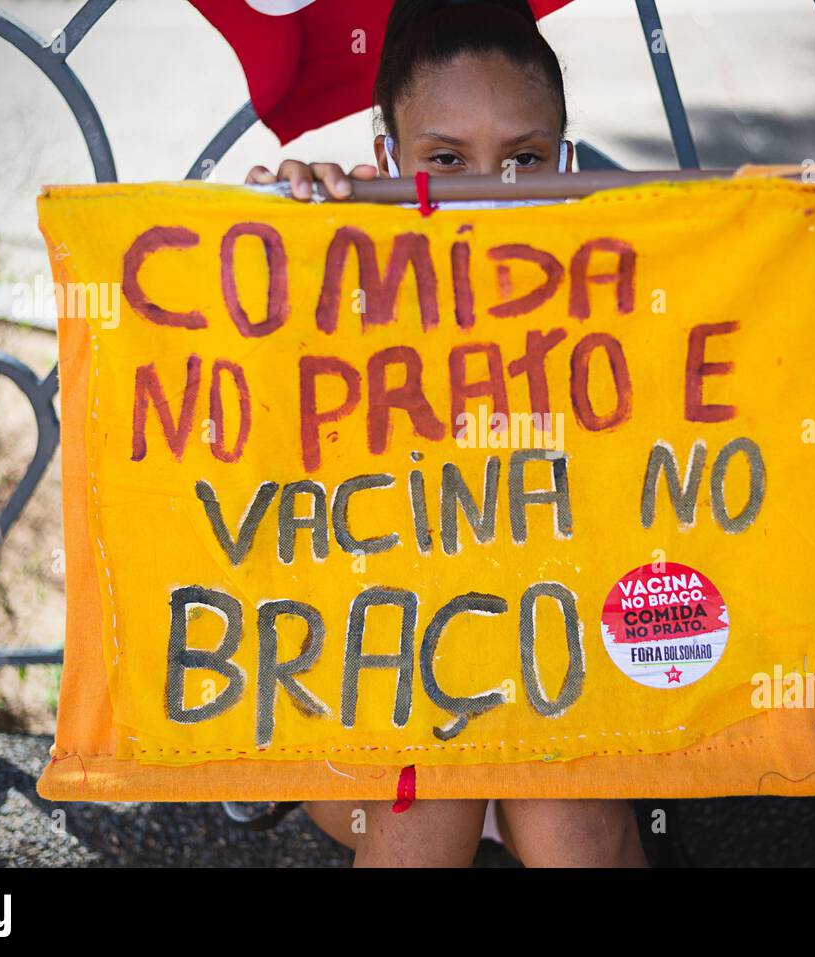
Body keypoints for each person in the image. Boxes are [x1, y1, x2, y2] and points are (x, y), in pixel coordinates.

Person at [242, 0, 648, 869]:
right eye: (446, 158)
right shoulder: (339, 260)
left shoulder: (614, 281)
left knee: (568, 818)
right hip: (380, 689)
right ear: (386, 157)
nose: (487, 188)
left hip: (566, 683)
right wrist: (287, 241)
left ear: (566, 160)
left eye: (526, 158)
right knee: (421, 791)